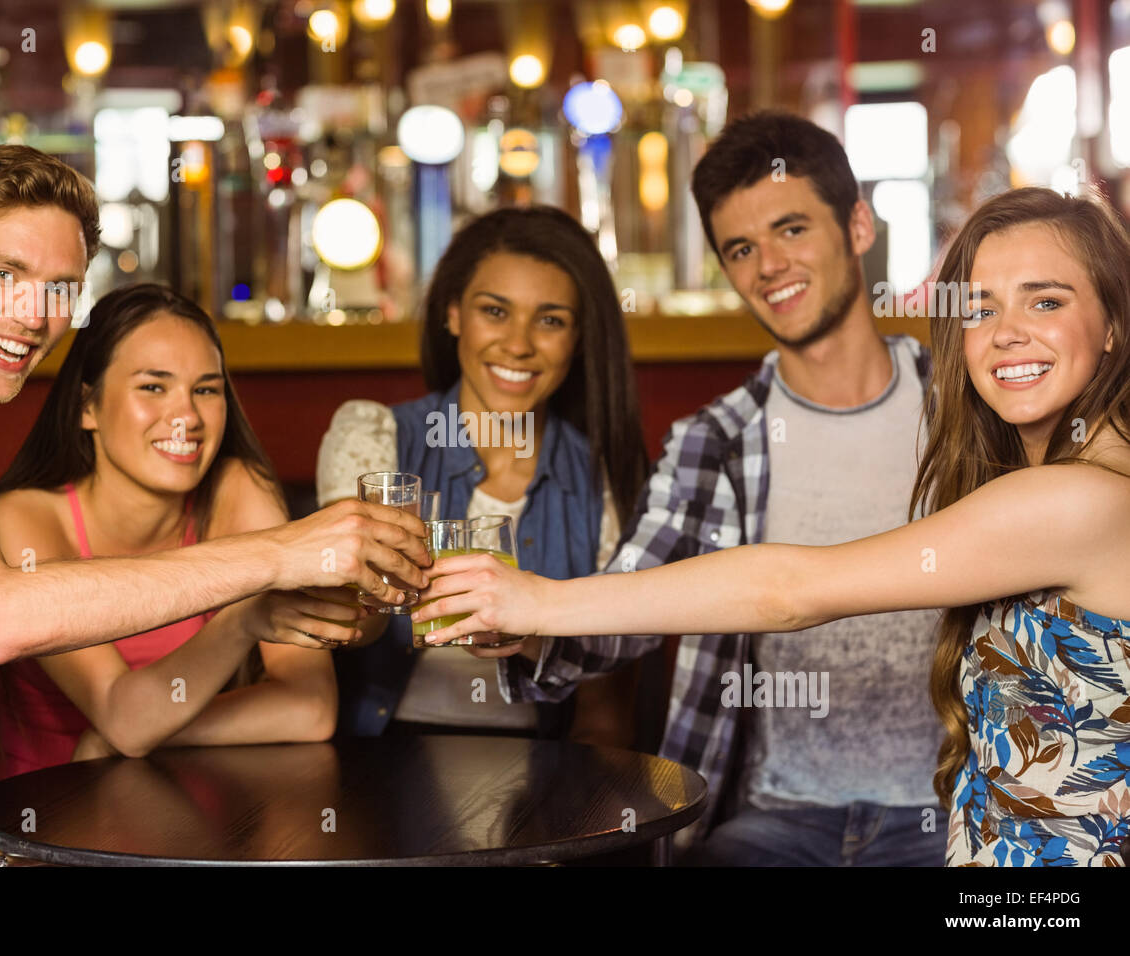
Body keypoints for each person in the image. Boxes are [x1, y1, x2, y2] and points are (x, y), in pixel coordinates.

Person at [421, 185, 1130, 867]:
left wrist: (536, 598)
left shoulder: (1078, 501)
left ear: (1114, 326)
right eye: (978, 309)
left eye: (1046, 300)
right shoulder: (1045, 480)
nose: (1007, 332)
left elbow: (789, 590)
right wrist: (533, 624)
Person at [0, 144, 428, 867]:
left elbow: (303, 705)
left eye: (60, 288)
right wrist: (279, 554)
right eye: (4, 275)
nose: (31, 316)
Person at [452, 112, 951, 866]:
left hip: (952, 809)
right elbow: (632, 598)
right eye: (741, 248)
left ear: (857, 225)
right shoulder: (712, 441)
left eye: (791, 229)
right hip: (777, 819)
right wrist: (524, 624)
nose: (769, 266)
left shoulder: (966, 410)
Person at [0, 284, 352, 780]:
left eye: (206, 389)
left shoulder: (235, 490)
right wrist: (241, 620)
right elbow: (123, 715)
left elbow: (311, 708)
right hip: (44, 828)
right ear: (86, 407)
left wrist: (132, 739)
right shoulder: (25, 518)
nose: (187, 418)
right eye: (153, 387)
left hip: (184, 819)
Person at [315, 206, 649, 743]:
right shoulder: (373, 436)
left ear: (580, 338)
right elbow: (353, 622)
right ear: (452, 314)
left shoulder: (604, 476)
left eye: (550, 320)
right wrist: (372, 592)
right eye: (495, 311)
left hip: (543, 766)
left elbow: (603, 711)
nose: (518, 344)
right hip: (379, 756)